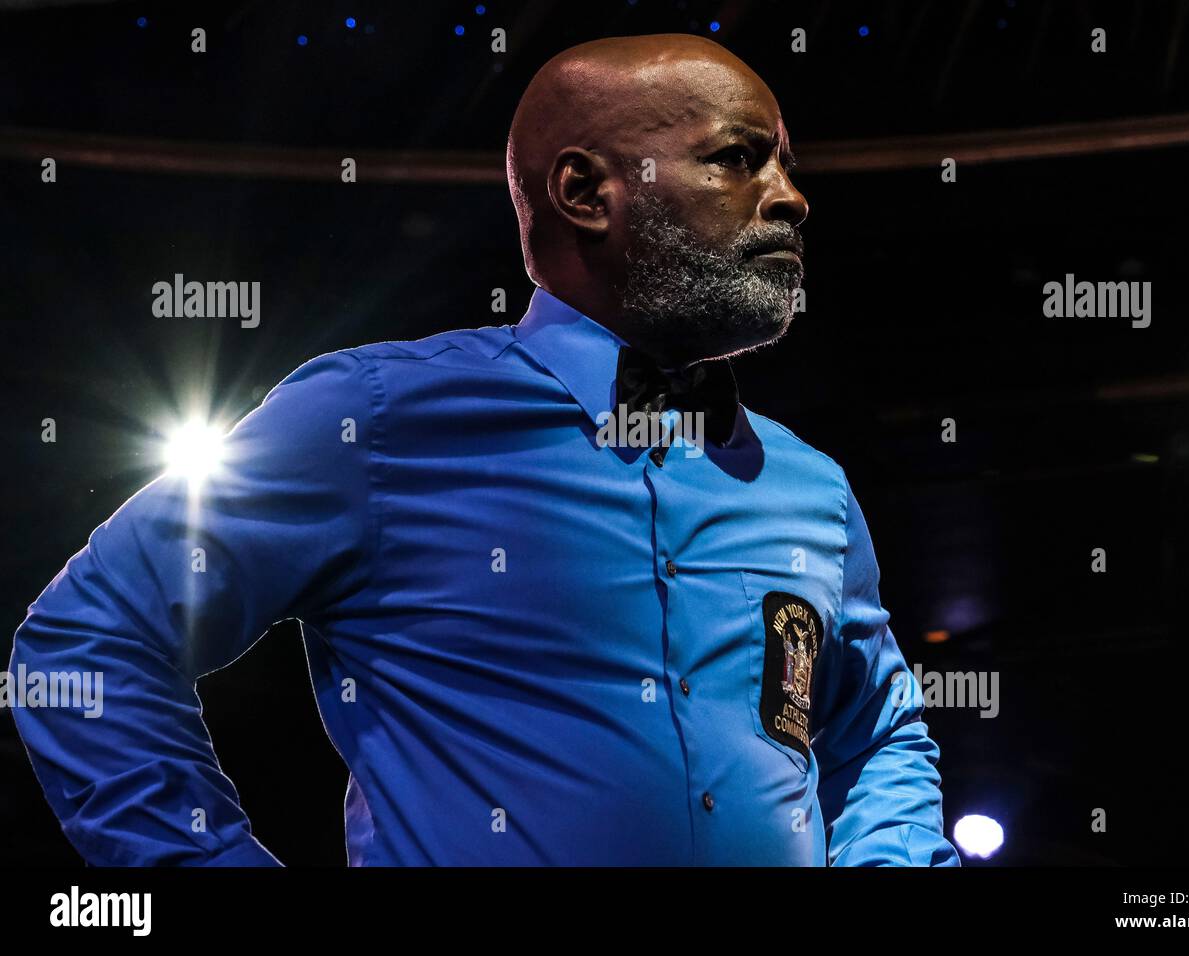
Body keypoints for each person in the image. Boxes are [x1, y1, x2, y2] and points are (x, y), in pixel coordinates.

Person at [10, 33, 959, 866]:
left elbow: (877, 734)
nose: (790, 199)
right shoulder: (373, 420)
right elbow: (86, 645)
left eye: (786, 166)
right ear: (585, 191)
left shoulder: (811, 489)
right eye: (738, 160)